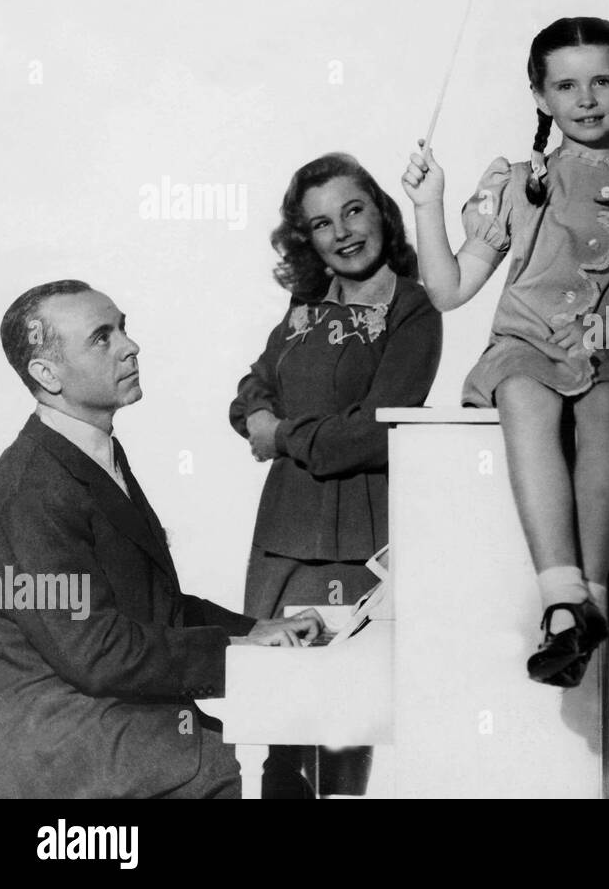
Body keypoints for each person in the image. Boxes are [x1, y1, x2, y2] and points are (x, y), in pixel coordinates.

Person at [403, 16, 609, 688]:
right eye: (566, 86)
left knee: (608, 398)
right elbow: (450, 290)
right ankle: (561, 599)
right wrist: (428, 206)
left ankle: (588, 602)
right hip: (527, 344)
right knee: (519, 390)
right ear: (540, 97)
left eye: (603, 80)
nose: (587, 99)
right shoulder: (515, 183)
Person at [0, 281, 322, 799]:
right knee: (246, 772)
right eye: (102, 338)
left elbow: (151, 602)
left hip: (103, 715)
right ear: (46, 374)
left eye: (123, 327)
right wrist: (237, 650)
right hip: (62, 740)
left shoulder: (88, 451)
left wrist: (258, 627)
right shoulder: (31, 487)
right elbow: (97, 652)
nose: (129, 346)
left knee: (282, 761)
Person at [229, 153, 442, 796]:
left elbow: (375, 430)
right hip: (282, 537)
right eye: (322, 224)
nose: (343, 232)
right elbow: (249, 390)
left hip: (358, 537)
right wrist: (260, 414)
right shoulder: (305, 305)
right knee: (279, 729)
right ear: (308, 240)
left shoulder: (414, 309)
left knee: (344, 724)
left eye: (353, 210)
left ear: (380, 210)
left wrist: (281, 433)